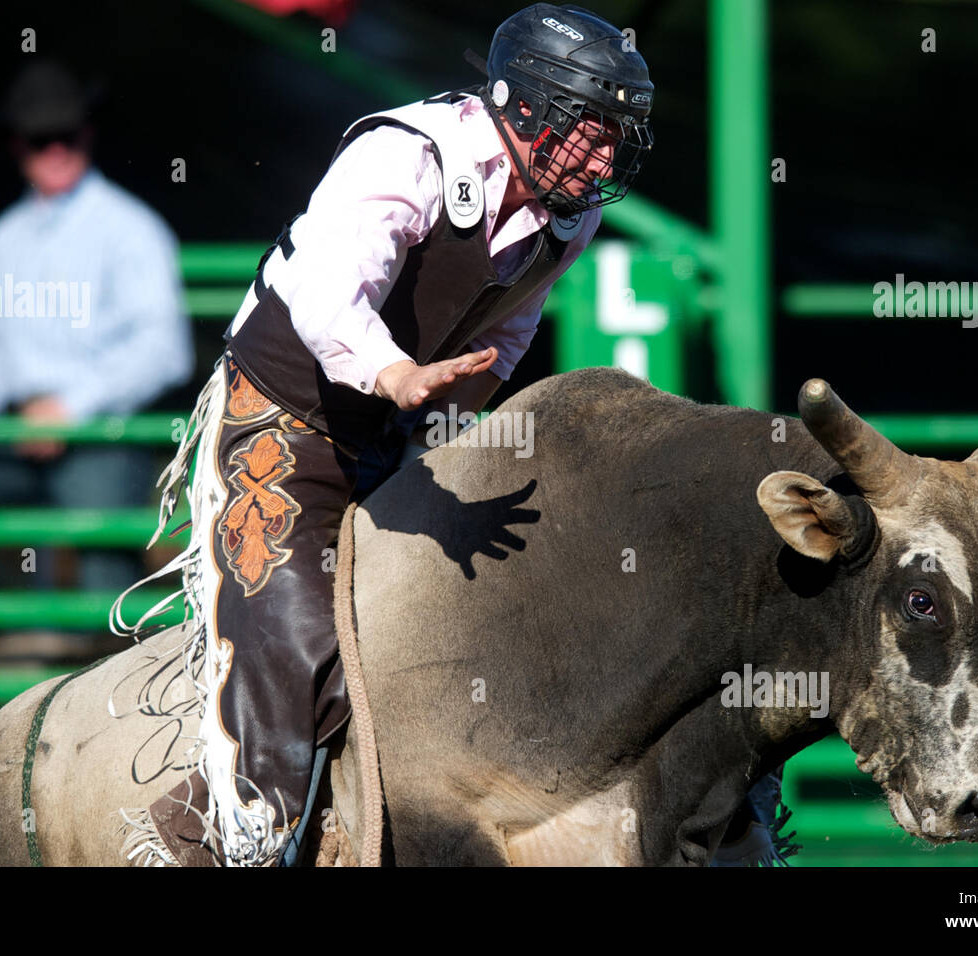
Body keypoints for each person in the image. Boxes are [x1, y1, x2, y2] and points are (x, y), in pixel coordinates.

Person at [118, 3, 654, 867]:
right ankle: (214, 840)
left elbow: (504, 337)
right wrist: (401, 377)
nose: (602, 159)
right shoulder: (409, 154)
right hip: (282, 426)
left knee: (491, 620)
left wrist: (455, 421)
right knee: (297, 648)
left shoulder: (568, 217)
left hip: (395, 441)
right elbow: (330, 293)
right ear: (522, 107)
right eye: (589, 132)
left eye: (613, 139)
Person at [0, 61, 193, 615]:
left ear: (86, 133)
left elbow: (165, 350)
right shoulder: (2, 240)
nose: (55, 148)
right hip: (13, 435)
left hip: (102, 435)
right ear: (17, 143)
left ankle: (104, 665)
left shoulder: (131, 228)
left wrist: (70, 407)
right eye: (41, 138)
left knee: (100, 536)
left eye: (64, 134)